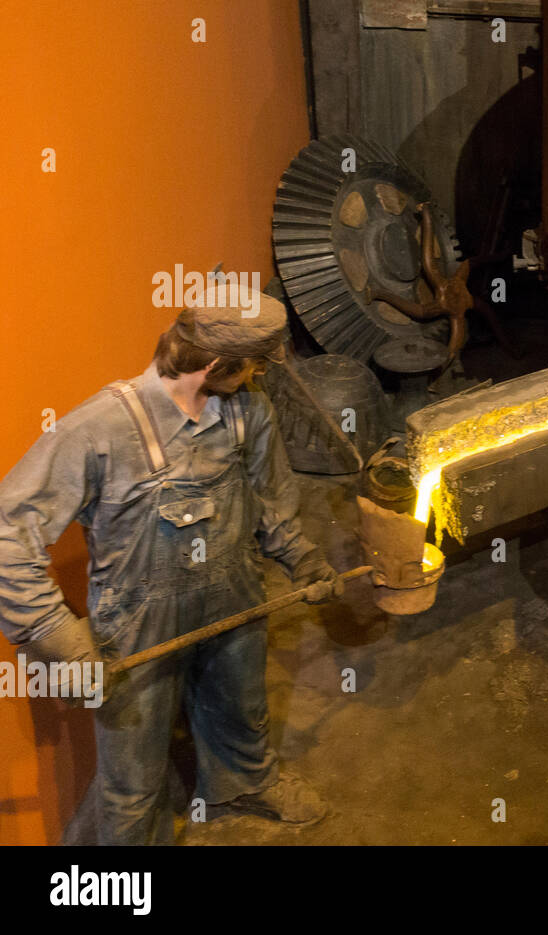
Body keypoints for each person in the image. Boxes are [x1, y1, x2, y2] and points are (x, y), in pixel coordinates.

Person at [0, 293, 340, 844]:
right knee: (132, 773)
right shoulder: (98, 429)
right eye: (252, 365)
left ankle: (242, 784)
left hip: (234, 593)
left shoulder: (247, 409)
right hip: (137, 623)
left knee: (242, 711)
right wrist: (58, 638)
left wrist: (300, 556)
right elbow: (7, 537)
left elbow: (269, 496)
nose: (257, 375)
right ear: (214, 364)